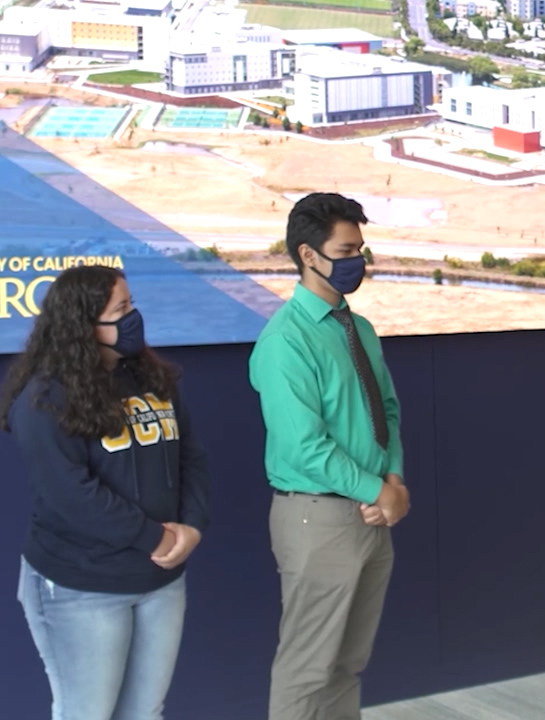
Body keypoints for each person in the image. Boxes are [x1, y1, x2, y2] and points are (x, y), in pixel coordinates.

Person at [0, 265, 210, 720]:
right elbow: (70, 494)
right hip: (82, 586)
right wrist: (155, 539)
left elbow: (189, 456)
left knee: (144, 713)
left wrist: (191, 526)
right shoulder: (45, 398)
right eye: (121, 310)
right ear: (84, 325)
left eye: (132, 305)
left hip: (160, 582)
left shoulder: (152, 381)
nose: (133, 318)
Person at [249, 192, 410, 720]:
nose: (357, 262)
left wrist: (395, 481)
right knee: (307, 668)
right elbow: (303, 445)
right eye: (345, 250)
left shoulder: (356, 328)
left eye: (360, 249)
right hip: (317, 517)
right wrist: (375, 491)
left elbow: (385, 409)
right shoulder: (285, 341)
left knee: (347, 665)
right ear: (308, 255)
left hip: (371, 516)